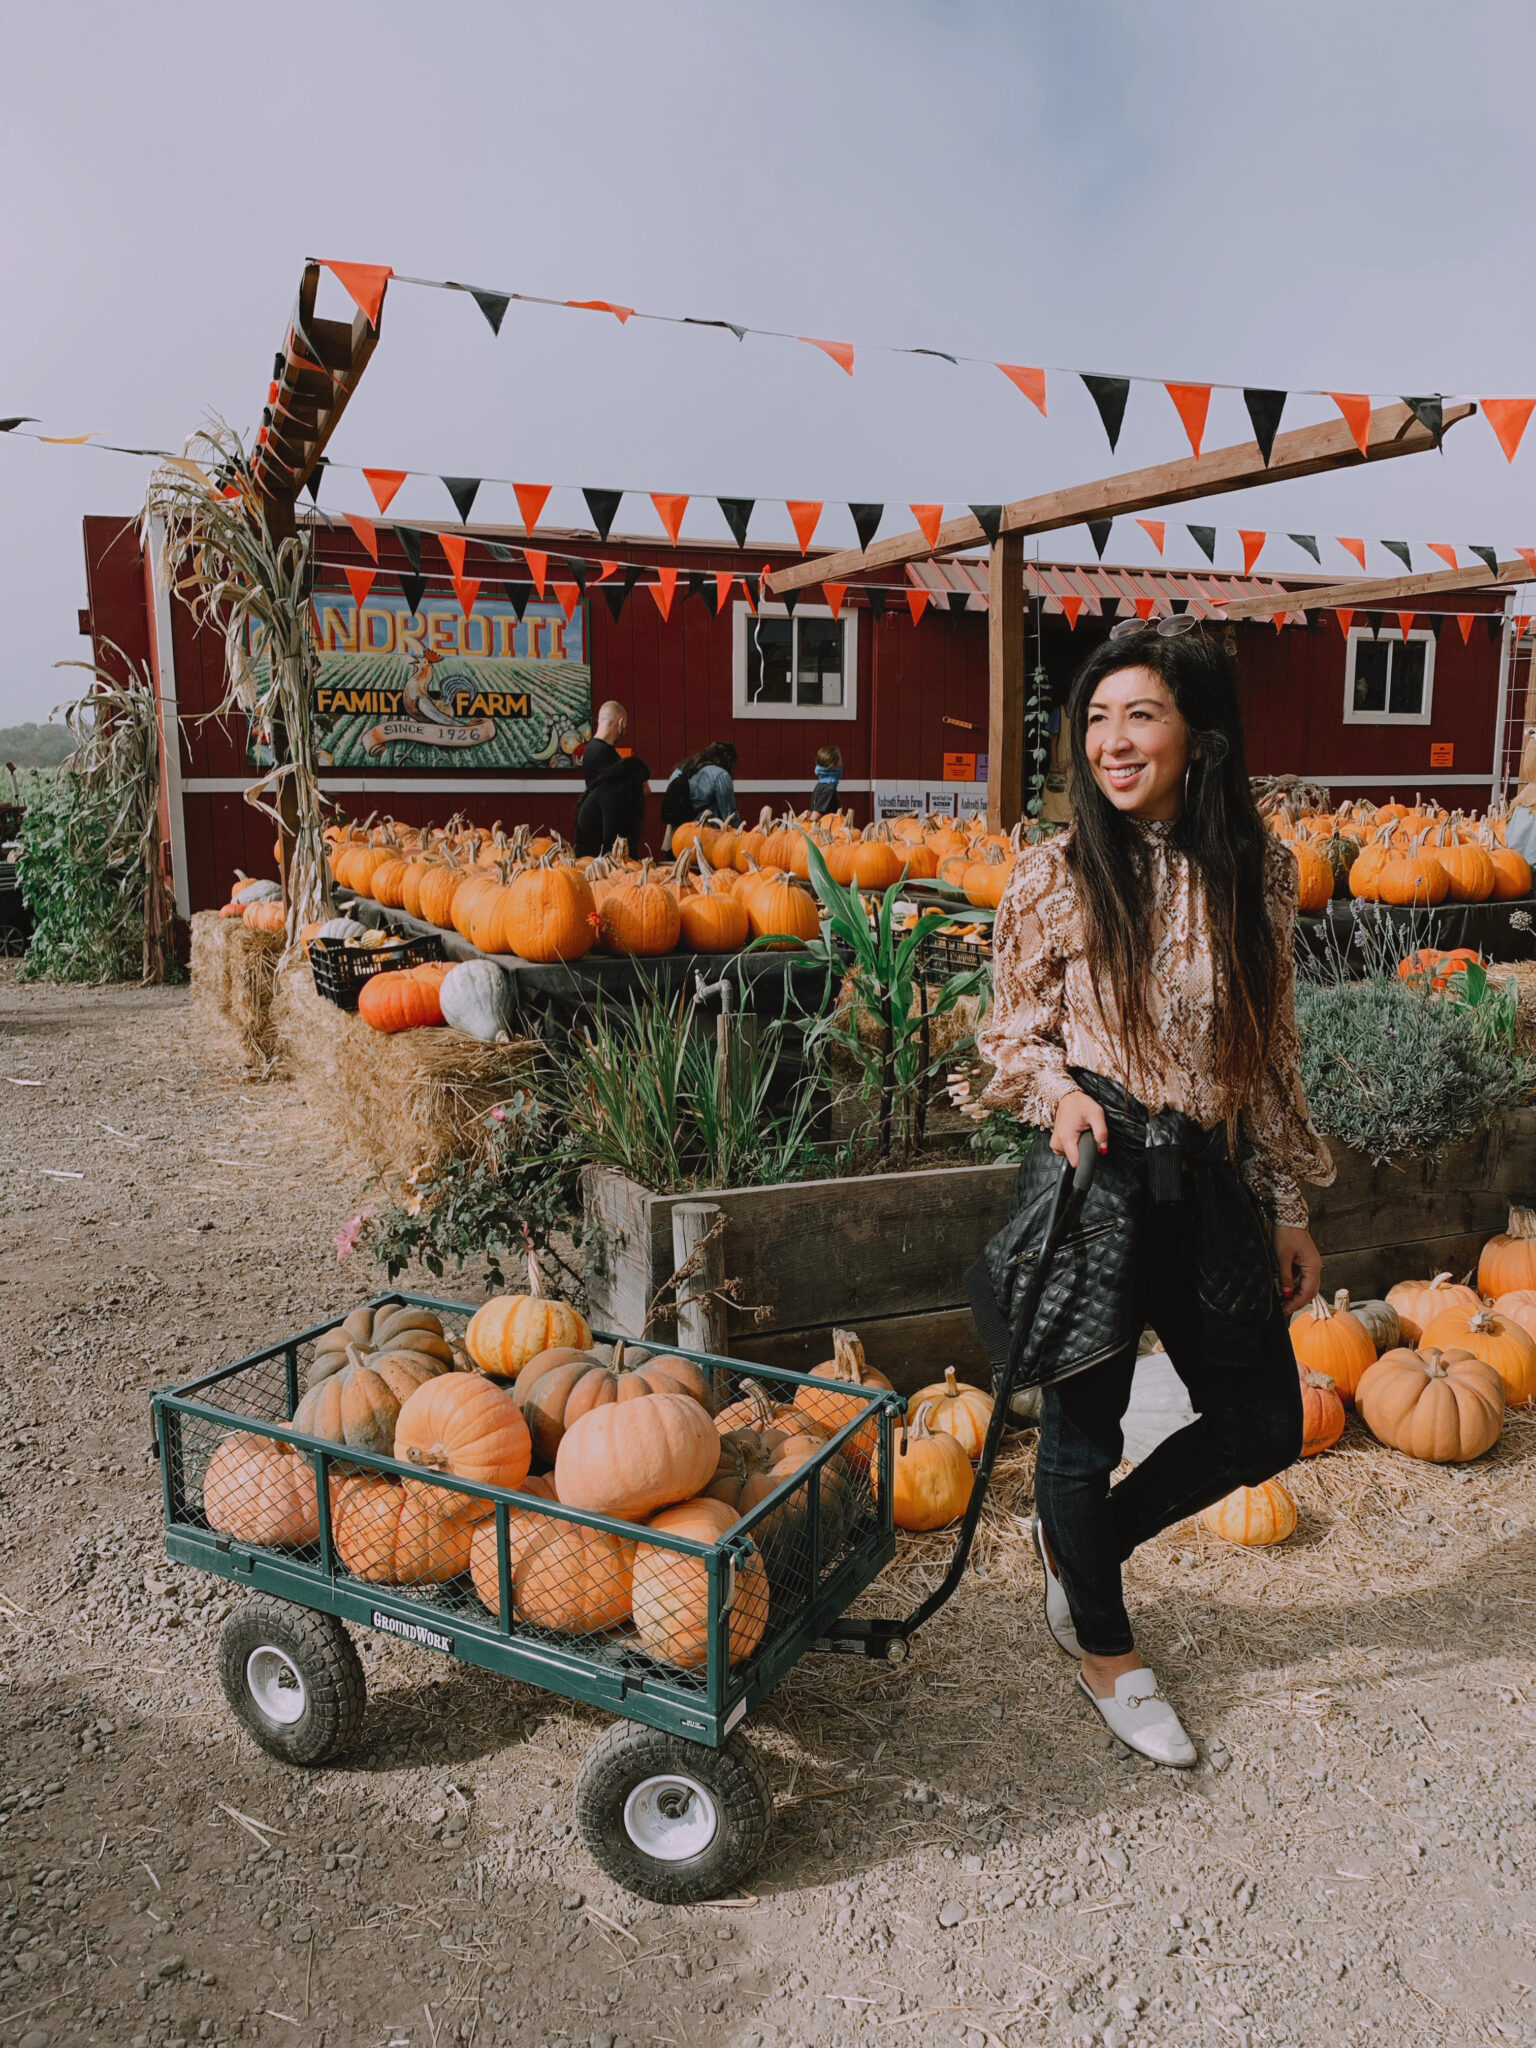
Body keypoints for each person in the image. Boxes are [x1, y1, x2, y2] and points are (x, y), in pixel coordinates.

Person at [967, 618, 1332, 1769]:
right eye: (1098, 718)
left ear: (1198, 734)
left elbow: (1269, 1045)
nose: (1113, 741)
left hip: (1212, 1171)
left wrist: (1286, 1199)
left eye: (1142, 714)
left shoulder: (1257, 866)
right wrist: (1054, 1088)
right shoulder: (1059, 870)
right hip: (1100, 1166)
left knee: (1265, 1422)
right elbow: (1009, 1029)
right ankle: (1109, 1651)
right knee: (1083, 1431)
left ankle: (1084, 1553)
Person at [575, 700, 650, 857]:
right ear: (620, 721)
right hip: (604, 840)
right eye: (625, 726)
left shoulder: (591, 749)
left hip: (595, 831)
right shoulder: (604, 754)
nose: (624, 730)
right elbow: (615, 800)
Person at [659, 741, 739, 852]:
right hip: (702, 841)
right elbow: (729, 815)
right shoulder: (720, 775)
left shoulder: (681, 768)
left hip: (675, 836)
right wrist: (740, 839)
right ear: (729, 761)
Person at [810, 744, 843, 816]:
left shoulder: (821, 785)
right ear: (833, 766)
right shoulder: (828, 789)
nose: (842, 765)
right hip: (826, 827)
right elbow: (814, 817)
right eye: (840, 762)